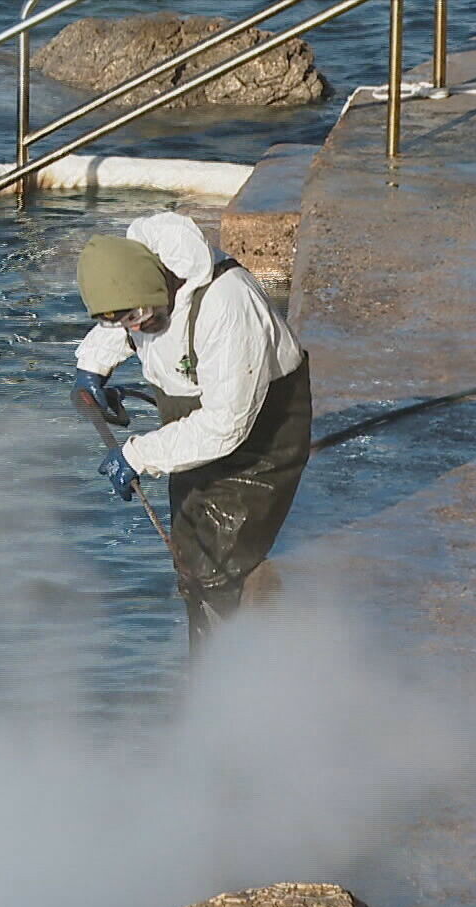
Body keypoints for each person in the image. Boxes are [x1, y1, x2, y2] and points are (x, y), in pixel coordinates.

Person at [72, 211, 311, 648]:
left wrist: (137, 455)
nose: (138, 326)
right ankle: (208, 665)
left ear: (163, 280)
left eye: (142, 315)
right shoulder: (144, 287)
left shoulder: (227, 305)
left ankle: (237, 675)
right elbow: (124, 320)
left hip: (261, 435)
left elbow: (225, 426)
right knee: (191, 550)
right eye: (125, 321)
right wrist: (92, 367)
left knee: (217, 566)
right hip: (191, 428)